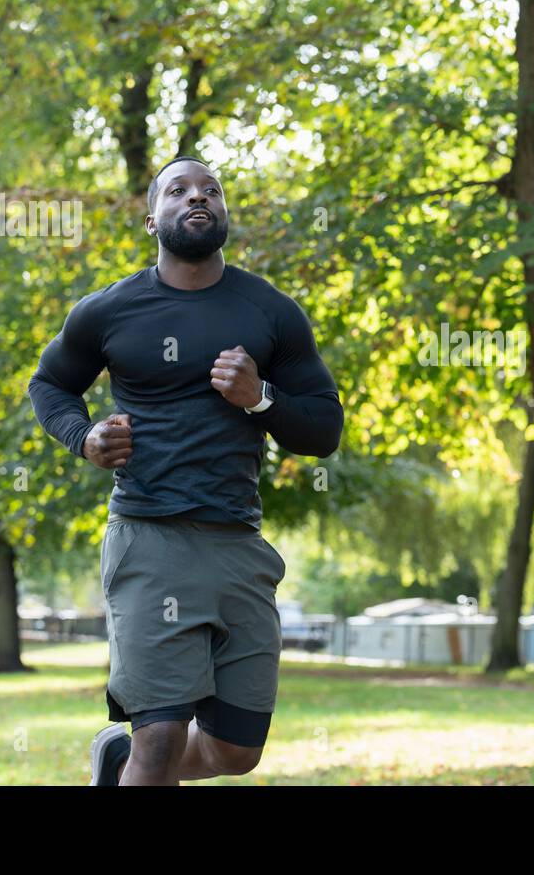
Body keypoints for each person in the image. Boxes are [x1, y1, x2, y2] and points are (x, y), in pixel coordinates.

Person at [28, 155, 343, 785]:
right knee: (161, 736)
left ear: (223, 212)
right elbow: (51, 384)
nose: (197, 198)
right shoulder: (109, 311)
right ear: (153, 218)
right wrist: (83, 436)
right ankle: (135, 754)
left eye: (211, 191)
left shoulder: (271, 313)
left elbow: (325, 427)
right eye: (179, 190)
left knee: (235, 753)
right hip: (149, 536)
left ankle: (115, 761)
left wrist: (260, 398)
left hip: (238, 543)